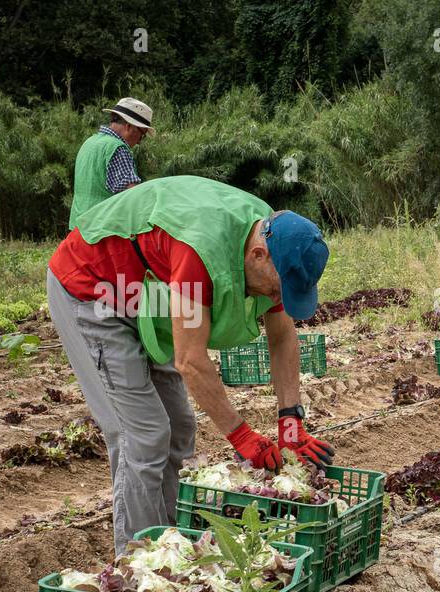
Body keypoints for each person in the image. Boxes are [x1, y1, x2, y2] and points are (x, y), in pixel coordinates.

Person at [46, 174, 335, 555]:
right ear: (258, 256)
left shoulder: (275, 236)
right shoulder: (202, 251)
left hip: (145, 295)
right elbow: (191, 361)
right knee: (144, 434)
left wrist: (290, 420)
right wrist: (242, 436)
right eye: (278, 288)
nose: (274, 296)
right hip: (91, 288)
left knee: (179, 427)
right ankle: (138, 563)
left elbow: (281, 335)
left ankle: (167, 543)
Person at [68, 97, 154, 230]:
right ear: (129, 126)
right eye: (142, 135)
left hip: (78, 227)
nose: (139, 142)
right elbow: (133, 195)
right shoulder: (118, 148)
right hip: (102, 232)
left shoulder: (90, 142)